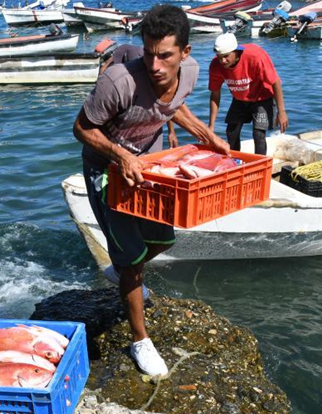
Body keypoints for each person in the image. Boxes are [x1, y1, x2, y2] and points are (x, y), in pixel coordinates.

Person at [73, 4, 229, 376]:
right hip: (107, 169)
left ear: (185, 53)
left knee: (162, 241)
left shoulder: (189, 73)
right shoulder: (119, 82)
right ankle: (140, 340)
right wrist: (120, 154)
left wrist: (209, 137)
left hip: (151, 164)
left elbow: (173, 106)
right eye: (148, 54)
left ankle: (122, 267)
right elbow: (81, 128)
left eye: (165, 55)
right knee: (132, 261)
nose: (155, 65)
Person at [208, 33, 288, 156]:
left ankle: (259, 165)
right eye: (219, 57)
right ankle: (234, 161)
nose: (222, 61)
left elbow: (275, 81)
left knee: (258, 134)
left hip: (263, 97)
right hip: (240, 99)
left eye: (226, 56)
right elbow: (215, 94)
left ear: (236, 51)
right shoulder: (216, 65)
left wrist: (281, 112)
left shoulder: (255, 56)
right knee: (231, 131)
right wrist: (211, 125)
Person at [99, 43, 179, 149]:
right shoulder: (118, 81)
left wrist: (171, 132)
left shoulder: (153, 75)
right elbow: (104, 69)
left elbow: (167, 106)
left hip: (150, 132)